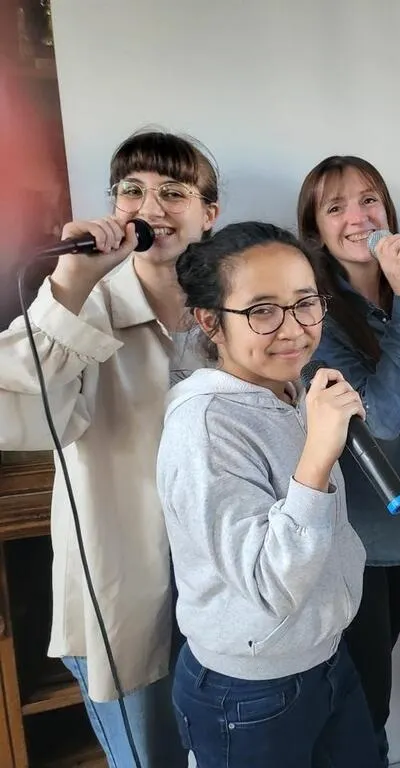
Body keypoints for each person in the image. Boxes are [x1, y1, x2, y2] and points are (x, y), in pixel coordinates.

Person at [0, 129, 220, 767]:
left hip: (217, 572)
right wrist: (70, 281)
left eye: (173, 192)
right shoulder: (81, 309)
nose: (150, 207)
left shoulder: (228, 310)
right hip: (127, 581)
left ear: (209, 215)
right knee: (150, 756)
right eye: (132, 190)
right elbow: (18, 409)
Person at [156, 222, 381, 767]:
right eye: (262, 310)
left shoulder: (290, 390)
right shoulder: (204, 428)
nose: (294, 329)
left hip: (325, 656)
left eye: (306, 303)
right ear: (211, 322)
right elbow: (269, 583)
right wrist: (318, 457)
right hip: (247, 690)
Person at [297, 155, 400, 765]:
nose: (358, 218)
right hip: (354, 541)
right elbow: (381, 419)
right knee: (366, 698)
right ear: (316, 231)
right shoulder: (315, 319)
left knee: (373, 677)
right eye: (335, 207)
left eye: (369, 201)